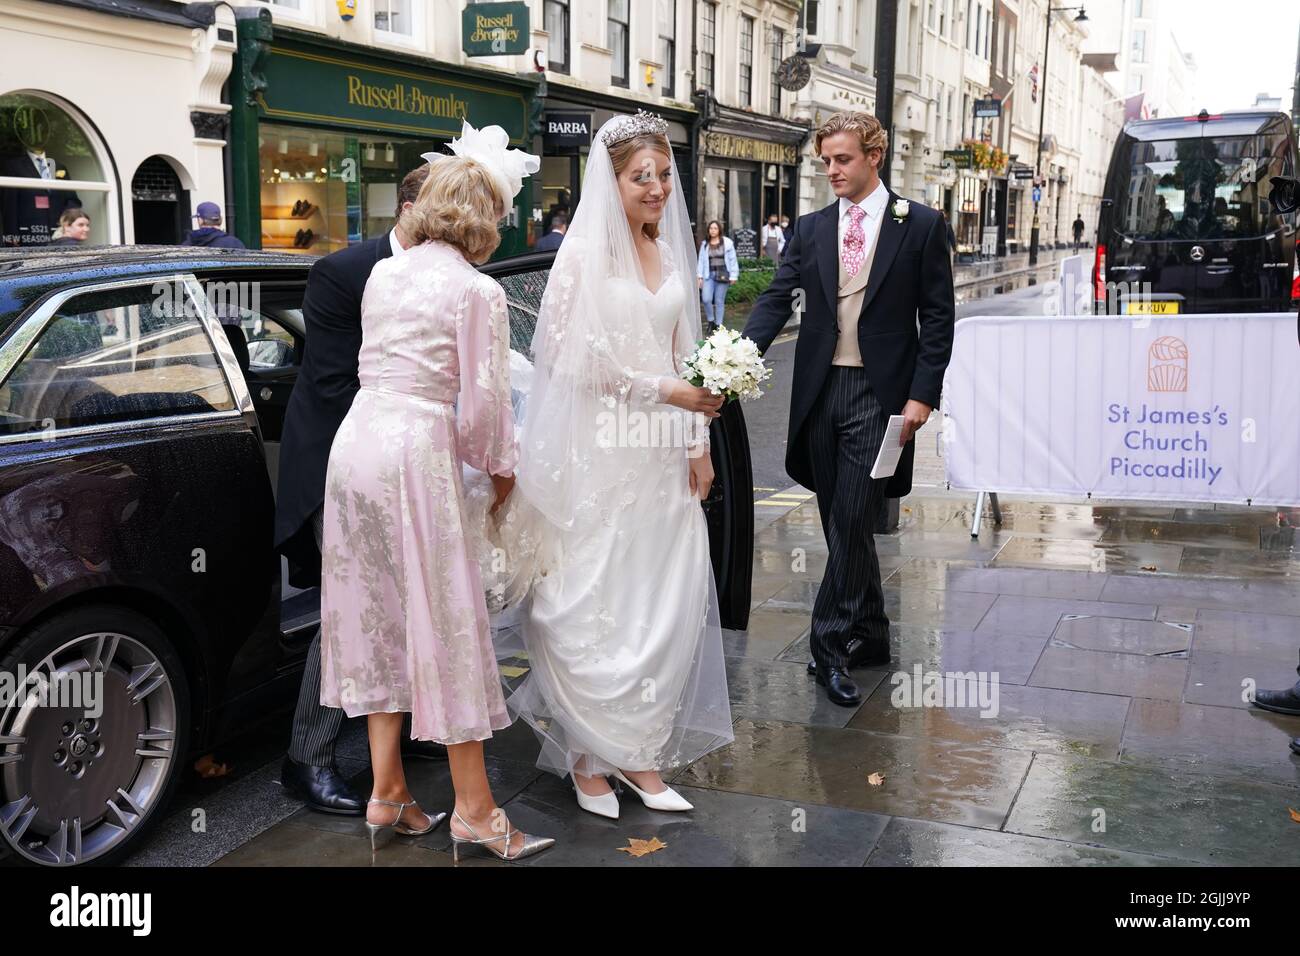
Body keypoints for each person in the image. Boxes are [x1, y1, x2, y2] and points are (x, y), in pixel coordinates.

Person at [318, 122, 554, 860]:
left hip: (356, 446)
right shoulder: (475, 292)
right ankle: (477, 812)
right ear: (486, 217)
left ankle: (387, 792)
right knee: (449, 624)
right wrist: (504, 483)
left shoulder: (386, 273)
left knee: (378, 615)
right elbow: (483, 416)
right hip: (416, 453)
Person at [508, 111, 734, 820]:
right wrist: (664, 391)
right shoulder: (581, 261)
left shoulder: (669, 255)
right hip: (601, 451)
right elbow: (570, 361)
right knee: (592, 596)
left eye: (666, 174)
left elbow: (681, 353)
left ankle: (637, 752)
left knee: (659, 598)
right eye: (644, 177)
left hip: (663, 450)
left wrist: (696, 441)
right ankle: (585, 755)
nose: (659, 188)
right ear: (612, 180)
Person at [742, 111, 955, 707]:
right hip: (819, 391)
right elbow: (777, 300)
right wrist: (732, 359)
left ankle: (829, 649)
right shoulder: (809, 229)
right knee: (844, 520)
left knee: (853, 515)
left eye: (843, 159)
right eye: (826, 161)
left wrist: (921, 396)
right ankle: (875, 633)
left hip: (881, 396)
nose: (832, 171)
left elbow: (937, 320)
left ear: (873, 157)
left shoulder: (921, 225)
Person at [275, 166, 440, 816]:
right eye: (444, 208)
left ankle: (399, 732)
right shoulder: (342, 273)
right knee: (353, 608)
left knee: (415, 603)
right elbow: (335, 385)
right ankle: (305, 761)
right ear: (407, 207)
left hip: (414, 464)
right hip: (341, 465)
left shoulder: (451, 278)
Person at [696, 219, 739, 331]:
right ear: (708, 230)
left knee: (719, 300)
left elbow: (732, 259)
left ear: (719, 230)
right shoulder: (705, 244)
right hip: (708, 275)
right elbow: (700, 260)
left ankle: (719, 325)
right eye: (711, 228)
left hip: (723, 274)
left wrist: (734, 275)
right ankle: (711, 321)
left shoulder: (727, 243)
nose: (713, 230)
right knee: (706, 299)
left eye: (715, 228)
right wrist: (699, 276)